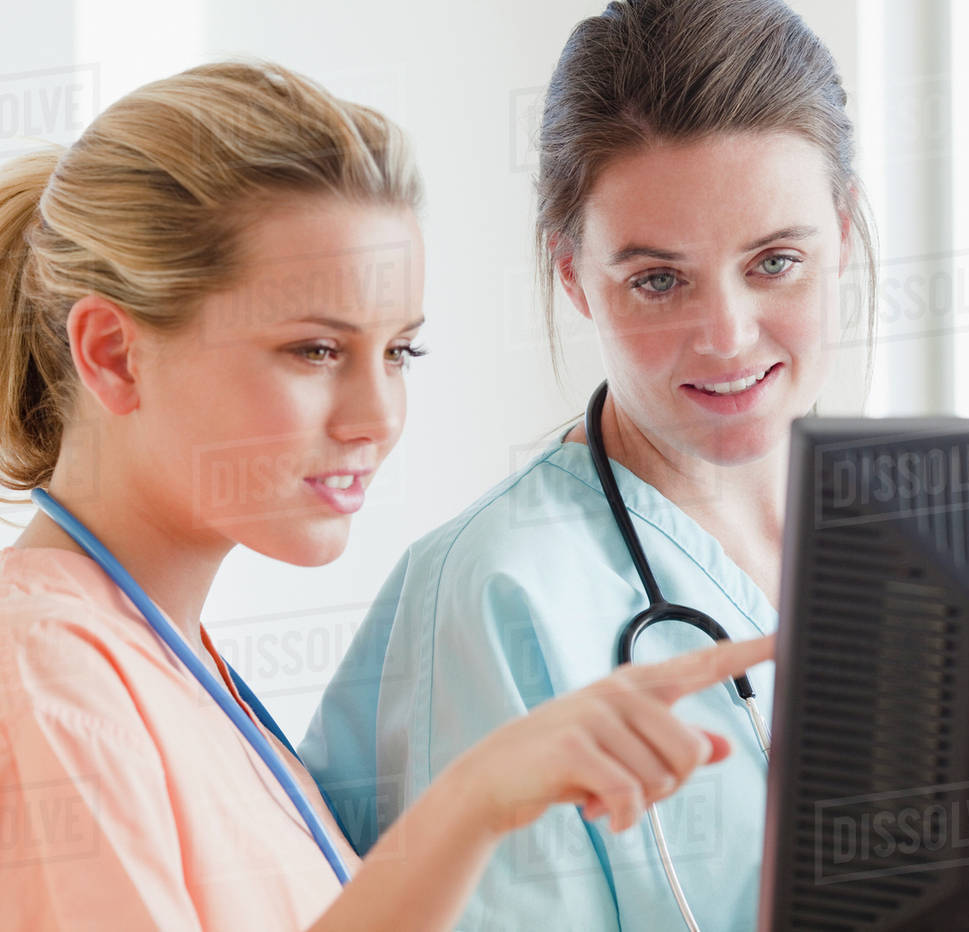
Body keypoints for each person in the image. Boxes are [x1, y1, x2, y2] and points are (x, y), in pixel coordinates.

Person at [0, 60, 774, 931]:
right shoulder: (42, 678)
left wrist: (485, 803)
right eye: (316, 352)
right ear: (111, 353)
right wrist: (468, 803)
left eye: (399, 352)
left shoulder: (168, 660)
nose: (378, 419)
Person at [301, 0, 877, 929]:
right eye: (658, 279)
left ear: (841, 233)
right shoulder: (499, 593)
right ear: (571, 273)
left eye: (774, 262)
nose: (727, 336)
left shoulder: (926, 534)